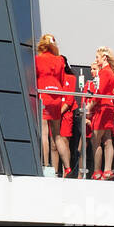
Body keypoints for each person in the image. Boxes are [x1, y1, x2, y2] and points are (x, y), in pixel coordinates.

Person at [35, 34, 71, 175]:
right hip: (57, 98)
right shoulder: (60, 60)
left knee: (44, 133)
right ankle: (67, 167)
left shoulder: (38, 59)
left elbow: (35, 76)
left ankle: (46, 165)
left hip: (44, 96)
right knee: (57, 135)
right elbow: (62, 80)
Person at [90, 47, 114, 179]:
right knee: (107, 139)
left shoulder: (104, 72)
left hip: (102, 108)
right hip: (109, 107)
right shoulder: (111, 72)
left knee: (96, 140)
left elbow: (99, 92)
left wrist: (90, 106)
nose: (96, 60)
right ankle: (107, 170)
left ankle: (97, 171)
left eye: (97, 57)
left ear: (104, 58)